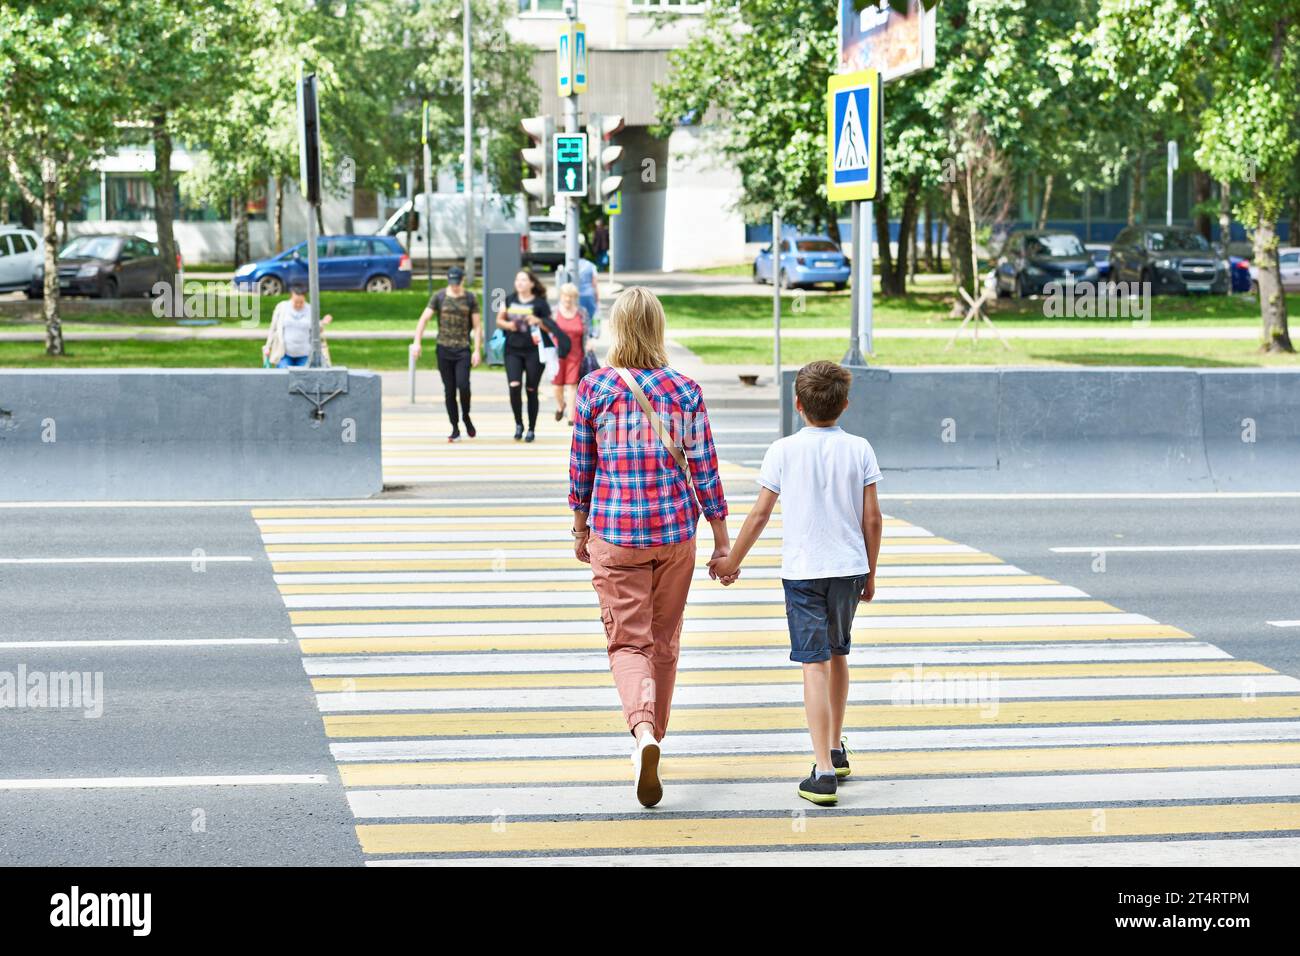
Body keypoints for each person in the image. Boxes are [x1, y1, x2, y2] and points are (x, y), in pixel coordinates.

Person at [569, 286, 730, 808]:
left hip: (615, 535)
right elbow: (705, 469)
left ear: (617, 329)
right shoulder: (685, 390)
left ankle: (644, 736)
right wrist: (723, 541)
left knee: (627, 645)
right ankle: (654, 736)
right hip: (676, 536)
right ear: (659, 329)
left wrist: (579, 530)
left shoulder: (594, 388)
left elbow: (582, 470)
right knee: (664, 640)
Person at [708, 360, 883, 808]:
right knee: (839, 651)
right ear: (845, 404)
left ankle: (823, 771)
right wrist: (871, 571)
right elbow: (872, 518)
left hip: (804, 573)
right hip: (848, 567)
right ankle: (837, 748)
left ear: (798, 404)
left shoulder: (782, 451)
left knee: (814, 663)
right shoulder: (860, 448)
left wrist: (731, 559)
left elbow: (760, 514)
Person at [412, 266, 481, 442]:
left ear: (463, 280)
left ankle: (466, 416)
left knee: (463, 386)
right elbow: (424, 319)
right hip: (443, 349)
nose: (455, 286)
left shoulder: (470, 298)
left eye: (457, 283)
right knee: (449, 390)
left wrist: (477, 350)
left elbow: (478, 326)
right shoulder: (440, 296)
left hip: (463, 348)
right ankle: (455, 427)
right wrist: (417, 342)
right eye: (452, 282)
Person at [496, 269, 565, 442]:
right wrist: (509, 324)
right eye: (517, 280)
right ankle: (518, 424)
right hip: (512, 350)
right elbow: (499, 320)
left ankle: (531, 428)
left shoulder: (540, 304)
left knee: (531, 390)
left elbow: (551, 327)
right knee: (514, 386)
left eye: (524, 280)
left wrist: (539, 321)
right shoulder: (509, 299)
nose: (520, 283)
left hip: (534, 351)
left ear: (531, 284)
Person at [263, 283, 331, 368]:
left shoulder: (310, 309)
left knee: (303, 377)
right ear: (291, 297)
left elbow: (316, 330)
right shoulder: (282, 307)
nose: (298, 305)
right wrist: (268, 346)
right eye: (296, 302)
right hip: (285, 353)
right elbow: (273, 328)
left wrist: (323, 322)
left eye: (301, 302)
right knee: (284, 375)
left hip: (305, 354)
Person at [550, 282, 587, 425]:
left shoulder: (582, 313)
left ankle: (571, 417)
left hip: (575, 353)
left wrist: (589, 342)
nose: (568, 299)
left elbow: (587, 331)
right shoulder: (554, 312)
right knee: (556, 386)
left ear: (575, 298)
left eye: (571, 296)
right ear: (561, 296)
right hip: (558, 354)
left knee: (572, 385)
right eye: (565, 296)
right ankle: (561, 406)